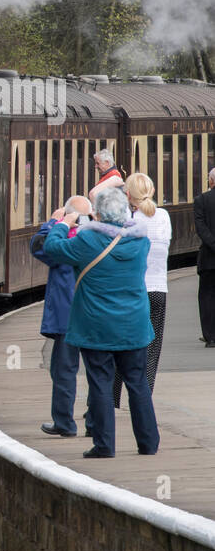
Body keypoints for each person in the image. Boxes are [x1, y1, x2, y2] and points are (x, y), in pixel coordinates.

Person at [41, 186, 159, 458]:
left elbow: (52, 248)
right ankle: (148, 443)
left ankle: (105, 445)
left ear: (96, 214)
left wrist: (62, 223)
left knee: (101, 384)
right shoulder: (141, 242)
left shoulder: (87, 241)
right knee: (138, 383)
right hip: (134, 325)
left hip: (97, 326)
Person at [31, 195, 92, 437]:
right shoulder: (96, 240)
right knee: (97, 372)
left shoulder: (63, 243)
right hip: (94, 316)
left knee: (64, 370)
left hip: (68, 318)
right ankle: (95, 422)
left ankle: (65, 422)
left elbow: (38, 246)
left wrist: (54, 224)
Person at [112, 173, 169, 405]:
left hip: (131, 291)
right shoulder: (163, 216)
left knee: (120, 346)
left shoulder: (126, 218)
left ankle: (110, 398)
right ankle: (143, 399)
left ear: (128, 195)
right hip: (158, 290)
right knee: (152, 348)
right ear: (152, 191)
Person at [197, 166, 215, 347]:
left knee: (207, 297)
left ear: (211, 181)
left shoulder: (201, 200)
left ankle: (210, 336)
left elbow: (200, 228)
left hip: (208, 257)